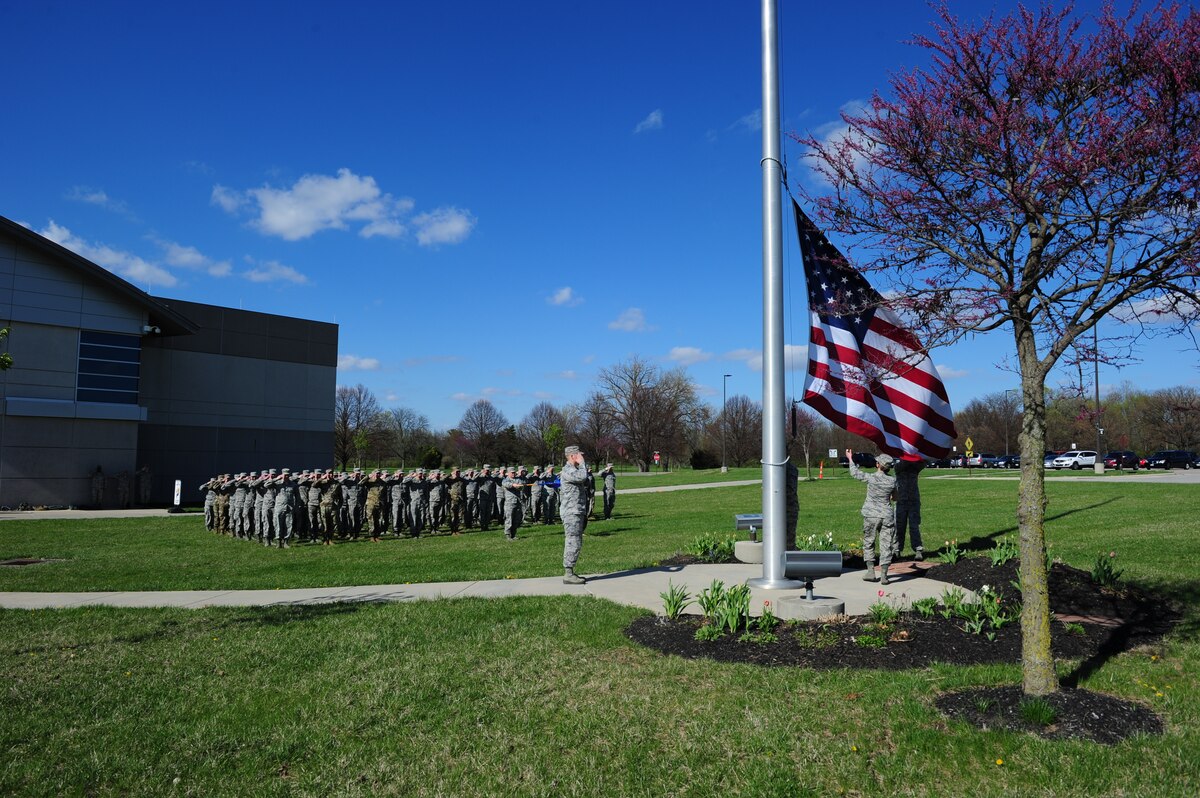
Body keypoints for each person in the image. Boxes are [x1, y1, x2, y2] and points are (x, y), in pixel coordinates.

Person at [847, 449, 897, 584]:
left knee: (869, 542)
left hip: (871, 515)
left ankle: (870, 571)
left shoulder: (871, 478)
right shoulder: (892, 481)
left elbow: (855, 473)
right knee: (886, 544)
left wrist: (850, 459)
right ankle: (884, 575)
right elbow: (895, 497)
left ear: (878, 465)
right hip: (886, 516)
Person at [560, 445, 590, 584]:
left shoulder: (574, 470)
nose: (581, 457)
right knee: (573, 541)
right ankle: (568, 573)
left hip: (577, 510)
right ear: (572, 456)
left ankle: (570, 571)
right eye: (579, 455)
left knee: (576, 540)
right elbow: (582, 477)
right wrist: (583, 463)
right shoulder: (568, 470)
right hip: (571, 512)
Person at [893, 455, 927, 561]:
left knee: (914, 527)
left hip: (913, 501)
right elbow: (902, 465)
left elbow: (923, 463)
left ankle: (918, 550)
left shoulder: (915, 468)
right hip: (901, 501)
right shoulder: (898, 467)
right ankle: (896, 550)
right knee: (899, 527)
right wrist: (908, 455)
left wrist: (915, 455)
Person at [501, 465, 524, 541]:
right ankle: (507, 535)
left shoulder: (518, 479)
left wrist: (519, 486)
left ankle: (513, 534)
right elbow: (506, 485)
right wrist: (513, 485)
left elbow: (521, 486)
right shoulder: (505, 480)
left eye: (514, 472)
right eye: (512, 473)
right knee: (509, 519)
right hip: (509, 503)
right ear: (508, 473)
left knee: (516, 519)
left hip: (518, 502)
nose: (513, 474)